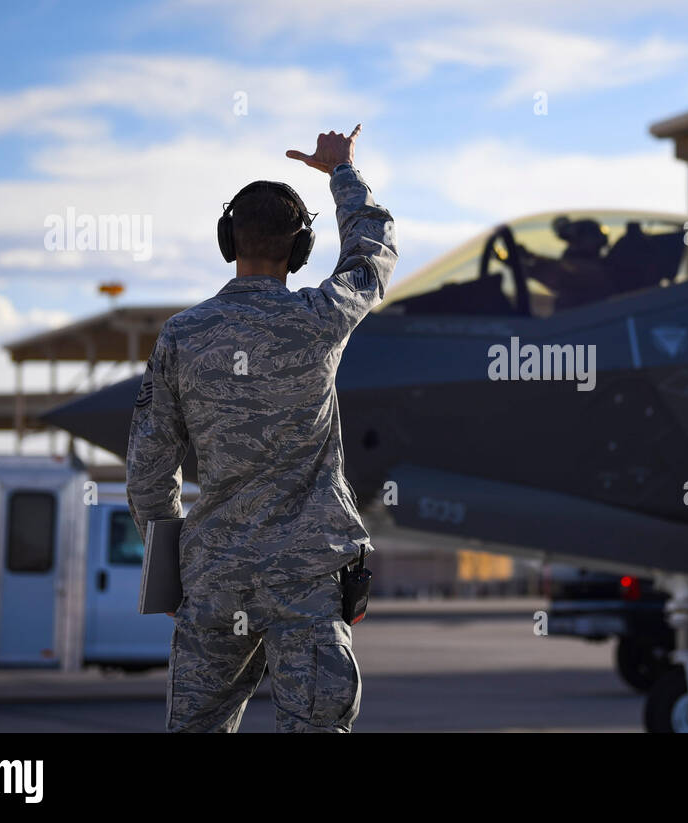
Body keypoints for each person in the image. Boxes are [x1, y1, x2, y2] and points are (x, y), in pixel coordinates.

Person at [125, 124, 396, 732]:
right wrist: (342, 172)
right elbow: (372, 252)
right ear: (300, 251)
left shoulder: (183, 336)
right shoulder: (318, 320)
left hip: (215, 583)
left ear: (228, 239)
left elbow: (148, 472)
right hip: (307, 582)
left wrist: (174, 575)